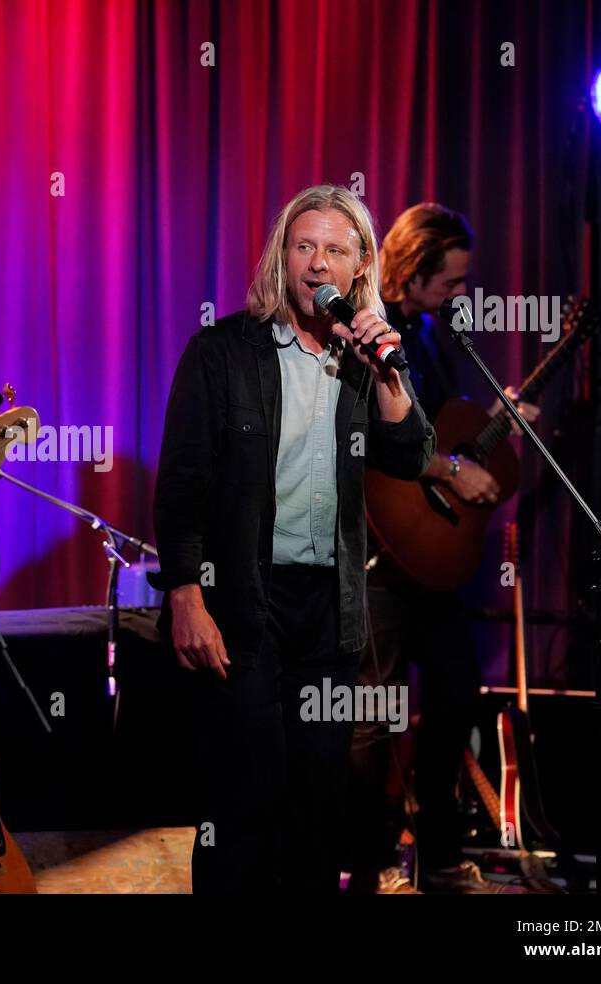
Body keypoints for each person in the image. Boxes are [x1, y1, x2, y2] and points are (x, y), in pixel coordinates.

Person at [153, 184, 435, 894]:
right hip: (243, 605)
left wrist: (389, 374)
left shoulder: (365, 361)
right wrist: (186, 597)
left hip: (327, 615)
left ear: (359, 266)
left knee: (317, 805)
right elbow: (181, 484)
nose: (316, 263)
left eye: (334, 250)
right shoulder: (223, 352)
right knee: (244, 804)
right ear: (282, 258)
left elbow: (411, 456)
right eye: (302, 246)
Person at [347, 202, 539, 894]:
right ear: (414, 269)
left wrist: (492, 428)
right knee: (373, 715)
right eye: (451, 282)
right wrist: (453, 468)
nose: (460, 294)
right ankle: (365, 863)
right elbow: (372, 434)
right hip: (375, 556)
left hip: (431, 561)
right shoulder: (366, 331)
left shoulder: (429, 336)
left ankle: (437, 854)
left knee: (455, 691)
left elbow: (438, 431)